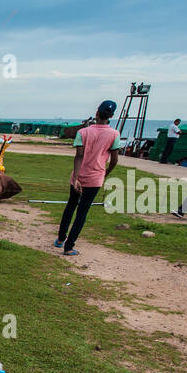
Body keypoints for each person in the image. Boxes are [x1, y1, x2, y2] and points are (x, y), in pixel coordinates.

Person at [54, 100, 121, 256]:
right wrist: (105, 173)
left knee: (71, 206)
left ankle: (60, 239)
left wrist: (76, 178)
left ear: (96, 113)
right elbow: (115, 160)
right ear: (111, 116)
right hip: (95, 178)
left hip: (79, 175)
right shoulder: (114, 134)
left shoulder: (83, 132)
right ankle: (69, 247)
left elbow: (79, 156)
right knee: (82, 212)